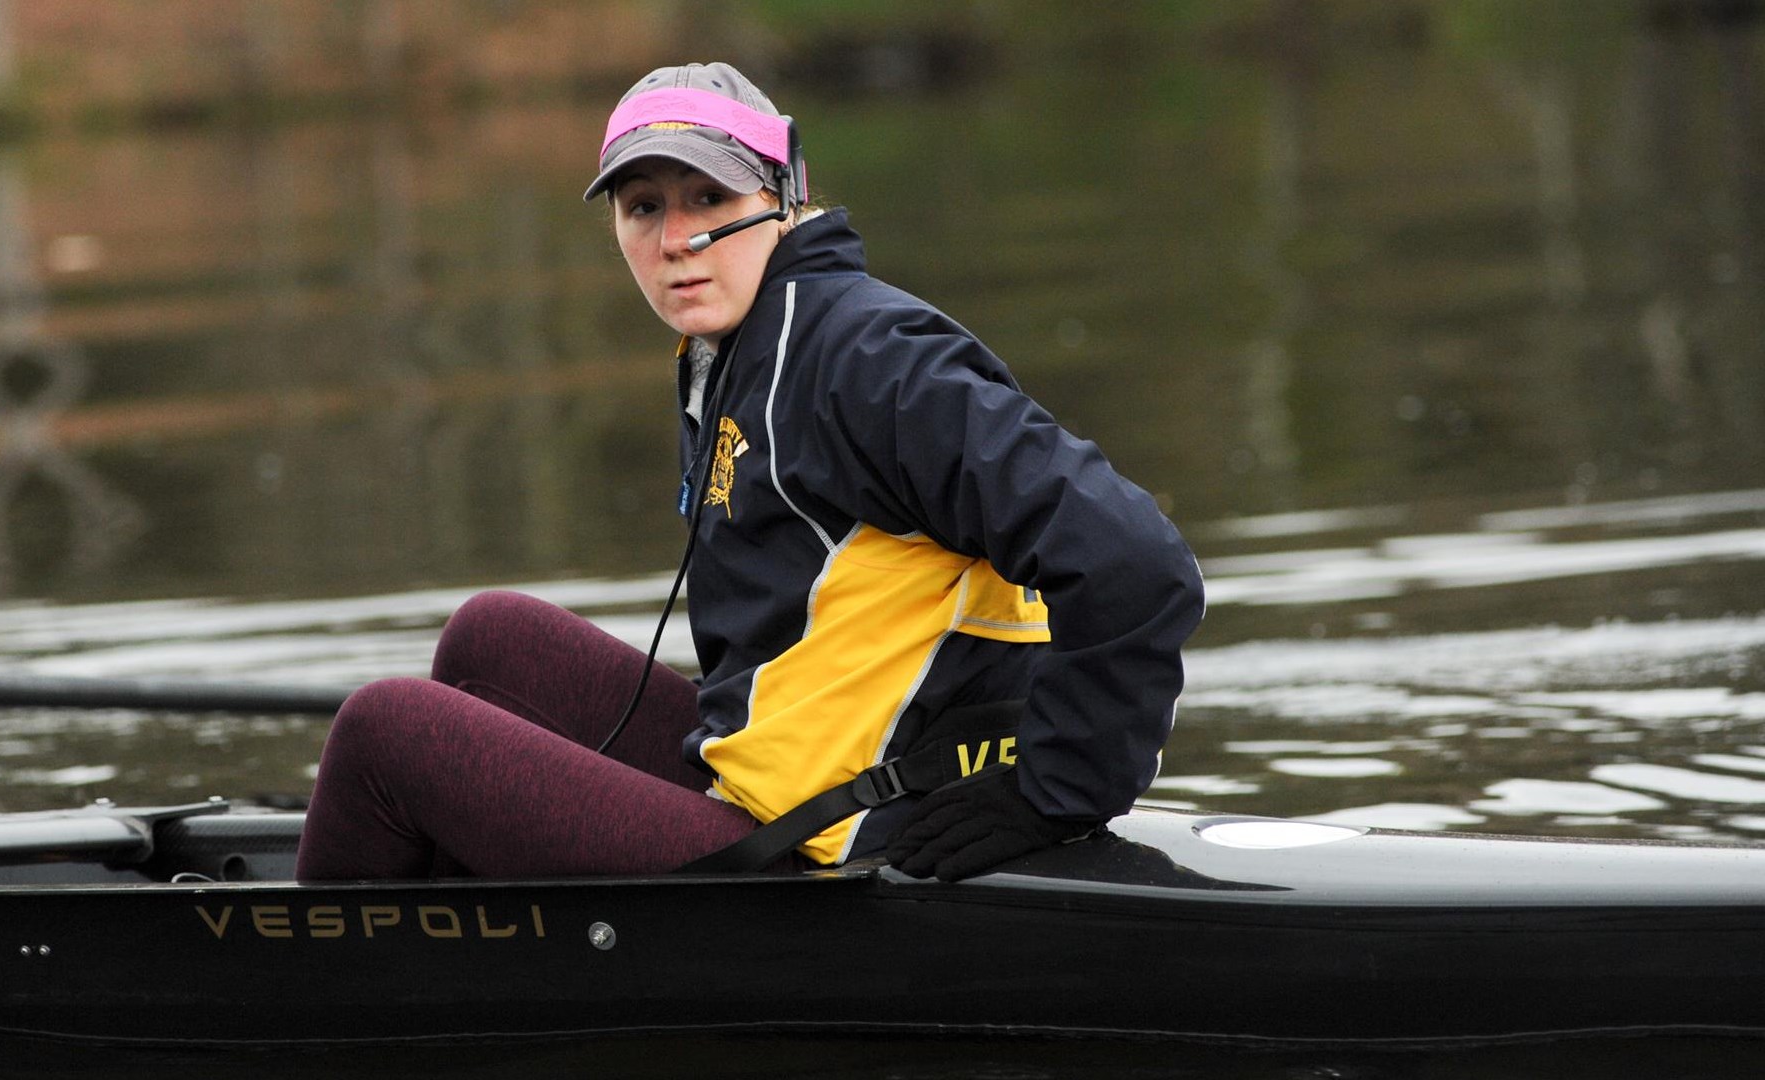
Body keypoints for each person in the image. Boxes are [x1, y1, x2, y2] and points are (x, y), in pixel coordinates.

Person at [294, 62, 1204, 884]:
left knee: (386, 733)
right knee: (494, 638)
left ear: (786, 195)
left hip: (847, 836)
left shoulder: (873, 361)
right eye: (643, 207)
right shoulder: (740, 343)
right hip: (776, 780)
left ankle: (306, 988)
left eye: (709, 199)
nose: (676, 239)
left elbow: (1137, 565)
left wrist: (1054, 792)